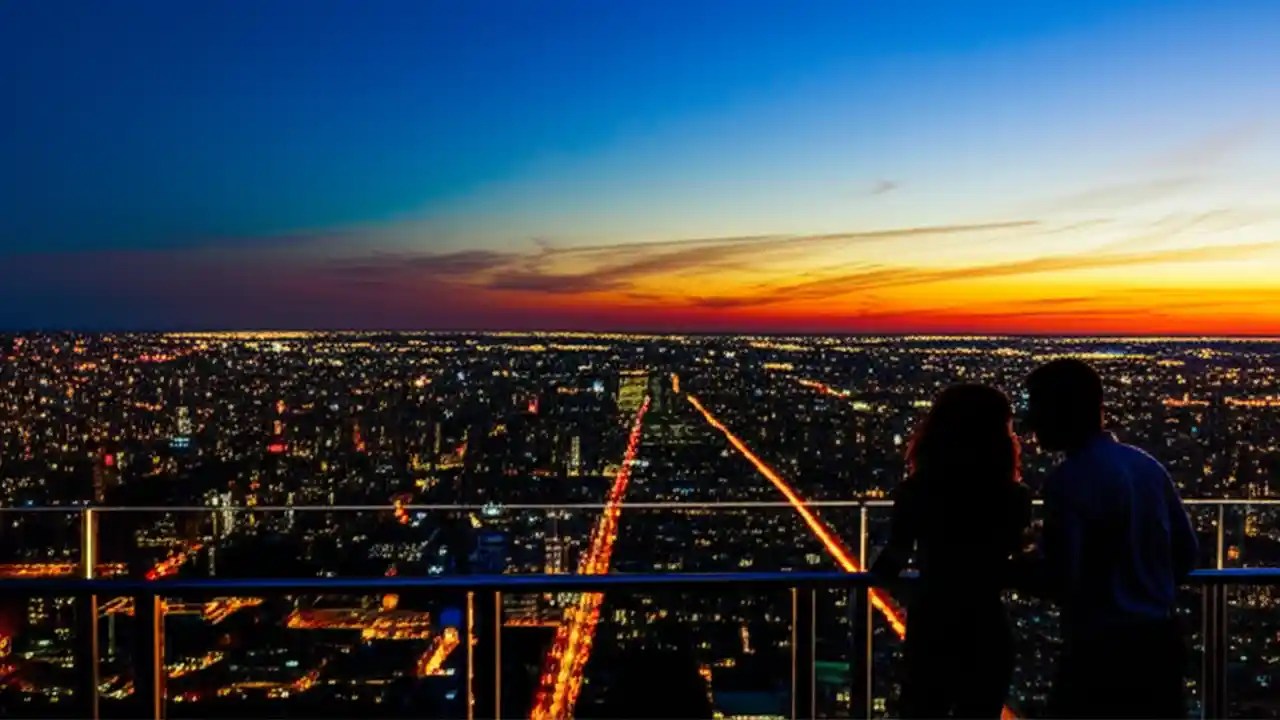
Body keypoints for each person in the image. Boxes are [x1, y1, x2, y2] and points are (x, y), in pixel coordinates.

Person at [1026, 358, 1198, 719]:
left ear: (1063, 412)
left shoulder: (1068, 481)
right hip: (1159, 640)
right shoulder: (1146, 466)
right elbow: (1186, 552)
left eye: (1038, 409)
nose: (1032, 424)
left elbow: (1063, 576)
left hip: (1099, 649)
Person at [872, 384, 1031, 718]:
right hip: (986, 626)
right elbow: (1013, 560)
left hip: (933, 623)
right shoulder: (1013, 497)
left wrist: (898, 586)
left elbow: (892, 560)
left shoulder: (918, 491)